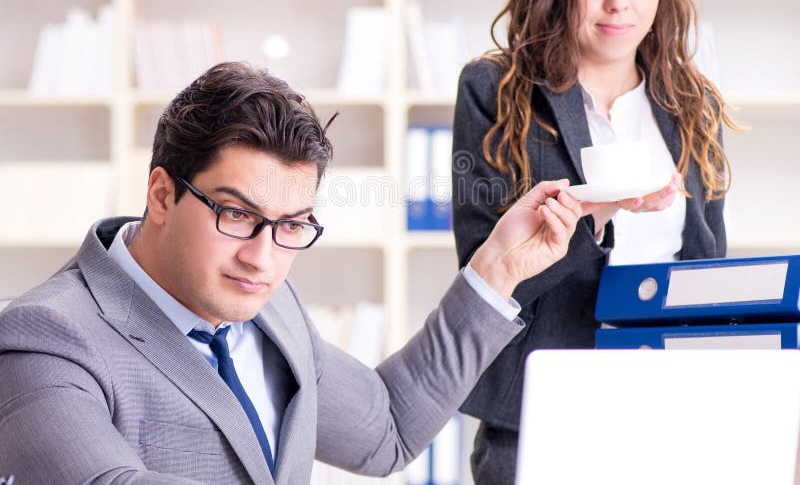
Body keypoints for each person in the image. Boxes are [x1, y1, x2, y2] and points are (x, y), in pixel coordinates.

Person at [0, 61, 584, 485]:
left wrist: (499, 267)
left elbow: (386, 430)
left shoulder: (267, 305)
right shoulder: (45, 336)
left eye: (291, 225)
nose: (262, 257)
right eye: (236, 214)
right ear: (160, 194)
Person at [451, 0, 739, 484]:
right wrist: (595, 217)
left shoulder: (693, 104)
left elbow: (705, 266)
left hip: (669, 414)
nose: (619, 3)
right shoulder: (495, 92)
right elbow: (485, 276)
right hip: (539, 415)